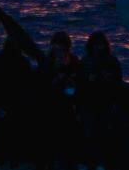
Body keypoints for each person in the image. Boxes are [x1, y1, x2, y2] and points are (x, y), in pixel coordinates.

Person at [76, 31, 126, 170]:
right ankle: (89, 161)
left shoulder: (110, 61)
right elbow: (80, 83)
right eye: (96, 45)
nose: (99, 47)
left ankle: (99, 162)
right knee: (89, 133)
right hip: (89, 102)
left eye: (101, 45)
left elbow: (117, 83)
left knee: (102, 133)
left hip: (105, 101)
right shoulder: (86, 62)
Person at [0, 31, 36, 167]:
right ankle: (14, 160)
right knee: (16, 133)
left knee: (3, 133)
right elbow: (28, 83)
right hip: (17, 103)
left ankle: (2, 158)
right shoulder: (23, 62)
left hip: (4, 103)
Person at [38, 31, 80, 170]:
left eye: (63, 46)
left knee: (66, 145)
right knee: (50, 144)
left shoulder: (73, 61)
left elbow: (78, 81)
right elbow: (42, 84)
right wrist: (56, 80)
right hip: (51, 107)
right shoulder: (47, 62)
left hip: (67, 107)